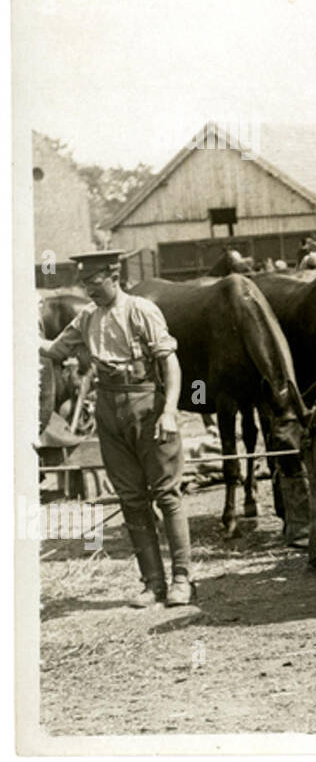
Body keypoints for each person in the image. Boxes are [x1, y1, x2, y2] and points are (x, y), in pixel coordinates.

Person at [40, 250, 194, 607]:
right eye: (85, 283)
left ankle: (183, 579)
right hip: (109, 409)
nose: (89, 289)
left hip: (146, 403)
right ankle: (153, 583)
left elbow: (170, 363)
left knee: (167, 494)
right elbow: (55, 350)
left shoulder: (141, 310)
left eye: (94, 282)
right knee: (130, 497)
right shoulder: (86, 319)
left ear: (113, 275)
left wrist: (169, 411)